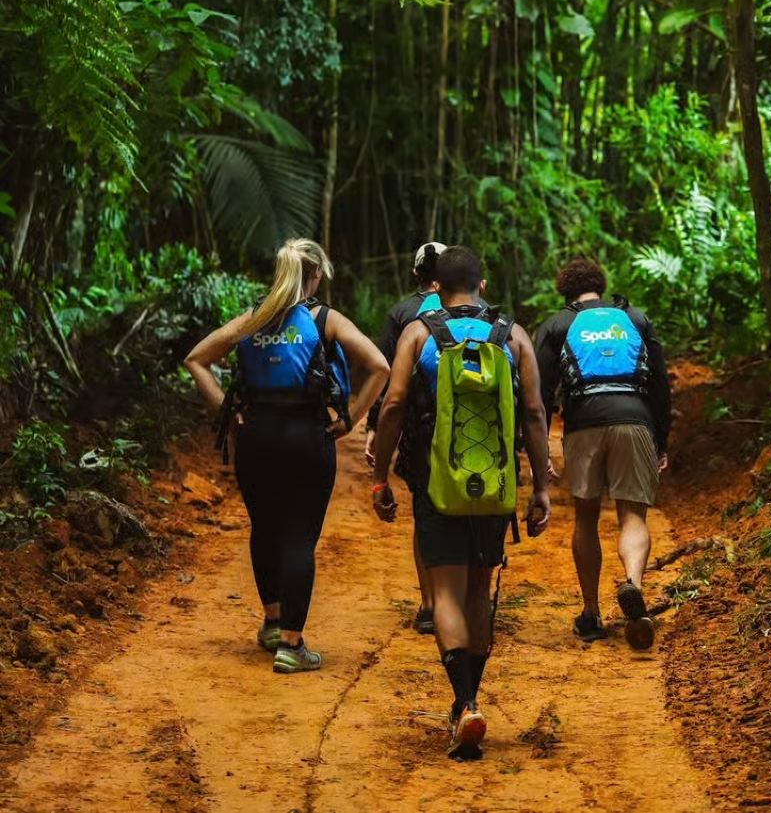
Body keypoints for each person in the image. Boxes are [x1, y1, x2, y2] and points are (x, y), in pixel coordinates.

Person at [370, 245, 551, 761]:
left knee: (444, 591)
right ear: (482, 283)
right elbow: (535, 413)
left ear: (435, 286)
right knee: (478, 590)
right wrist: (539, 486)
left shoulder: (418, 333)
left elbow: (396, 405)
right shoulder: (512, 335)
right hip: (494, 484)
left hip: (436, 482)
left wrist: (381, 475)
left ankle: (465, 701)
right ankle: (468, 700)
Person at [185, 238, 388, 674]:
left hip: (256, 437)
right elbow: (380, 366)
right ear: (313, 276)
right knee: (299, 536)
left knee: (266, 528)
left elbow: (196, 359)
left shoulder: (252, 320)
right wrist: (351, 418)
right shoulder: (323, 318)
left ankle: (274, 623)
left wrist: (228, 411)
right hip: (306, 437)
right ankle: (292, 646)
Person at [535, 256, 670, 649]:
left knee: (586, 515)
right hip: (635, 419)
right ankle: (633, 584)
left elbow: (539, 395)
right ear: (601, 285)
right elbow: (660, 383)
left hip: (583, 424)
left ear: (565, 291)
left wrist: (540, 446)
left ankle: (591, 613)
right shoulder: (636, 319)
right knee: (632, 513)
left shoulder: (557, 324)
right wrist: (661, 439)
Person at [364, 240, 447, 634]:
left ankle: (430, 603)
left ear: (416, 274)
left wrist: (374, 427)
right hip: (470, 429)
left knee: (424, 513)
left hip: (418, 427)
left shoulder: (402, 313)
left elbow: (385, 376)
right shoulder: (473, 311)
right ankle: (464, 600)